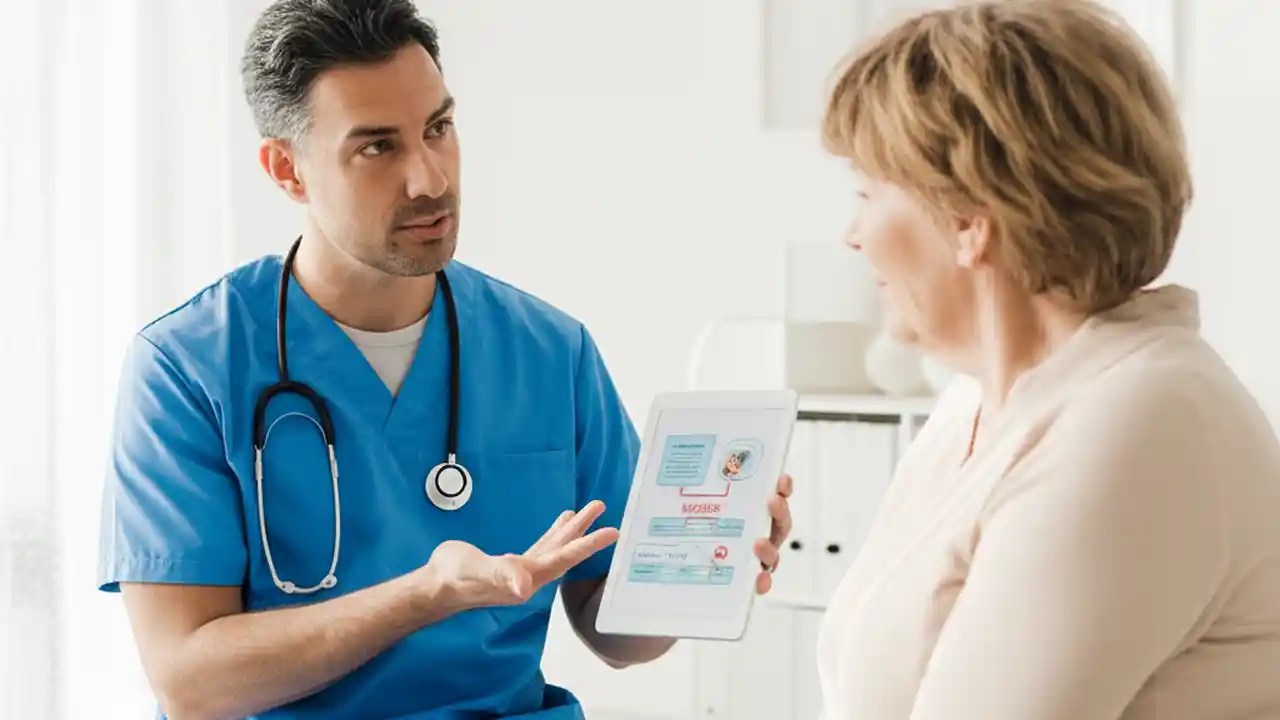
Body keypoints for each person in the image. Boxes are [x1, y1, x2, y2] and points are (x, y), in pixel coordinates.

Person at [95, 1, 794, 718]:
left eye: (438, 129)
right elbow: (191, 683)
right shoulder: (186, 368)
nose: (429, 179)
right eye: (377, 148)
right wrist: (424, 595)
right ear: (287, 170)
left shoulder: (549, 351)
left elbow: (616, 634)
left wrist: (700, 569)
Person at [815, 1, 1280, 718]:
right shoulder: (973, 408)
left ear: (968, 220)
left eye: (869, 195)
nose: (854, 234)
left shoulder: (1146, 419)